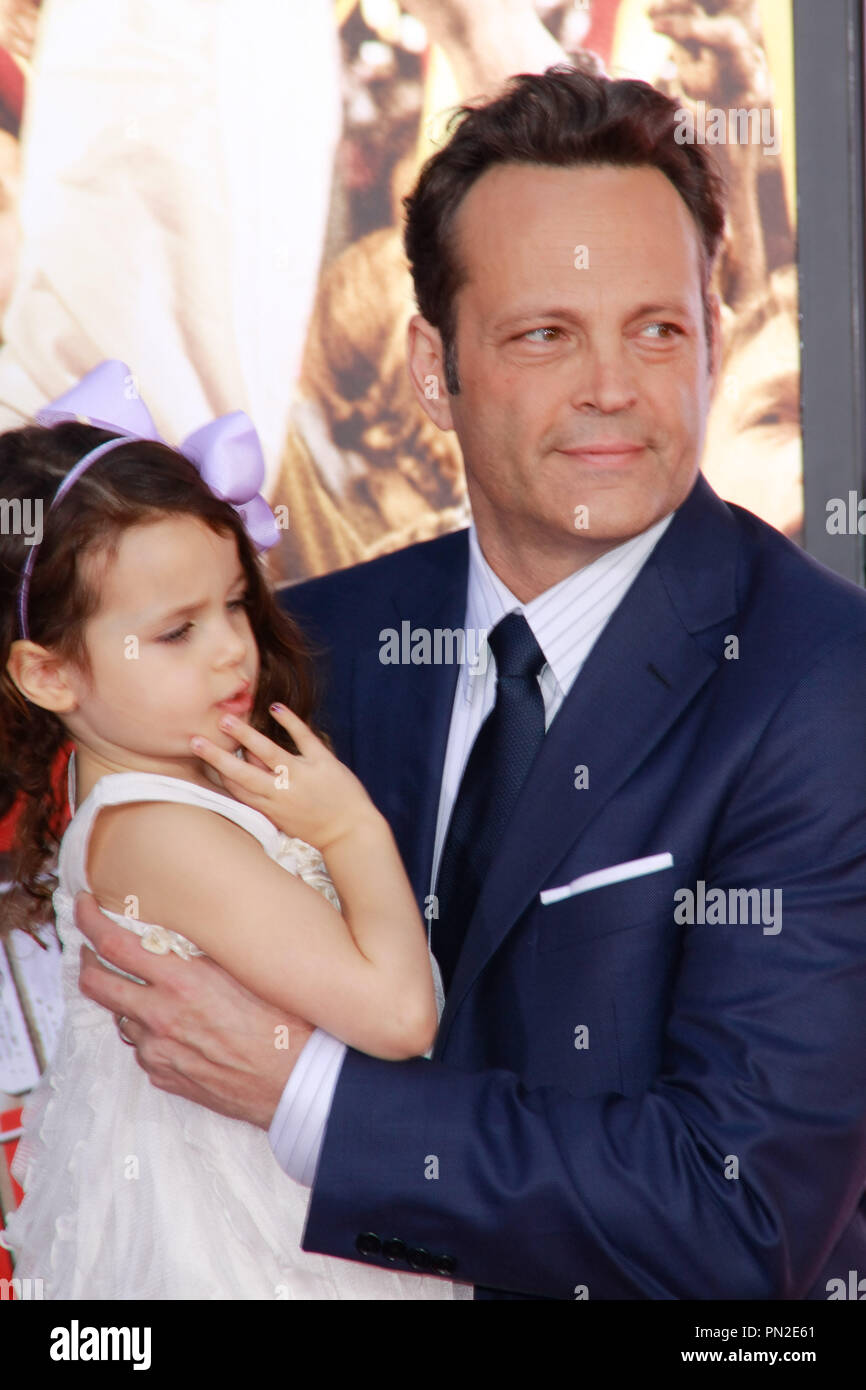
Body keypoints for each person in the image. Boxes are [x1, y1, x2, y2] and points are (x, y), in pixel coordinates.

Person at [76, 68, 866, 1300]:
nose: (612, 386)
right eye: (544, 334)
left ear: (712, 335)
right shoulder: (299, 648)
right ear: (429, 367)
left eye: (656, 328)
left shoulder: (819, 683)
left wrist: (306, 1092)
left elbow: (736, 1217)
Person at [0, 361, 466, 1300]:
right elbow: (401, 1017)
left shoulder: (161, 792)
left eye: (235, 604)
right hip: (242, 1247)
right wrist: (354, 829)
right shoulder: (159, 835)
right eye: (175, 633)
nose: (231, 649)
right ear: (49, 675)